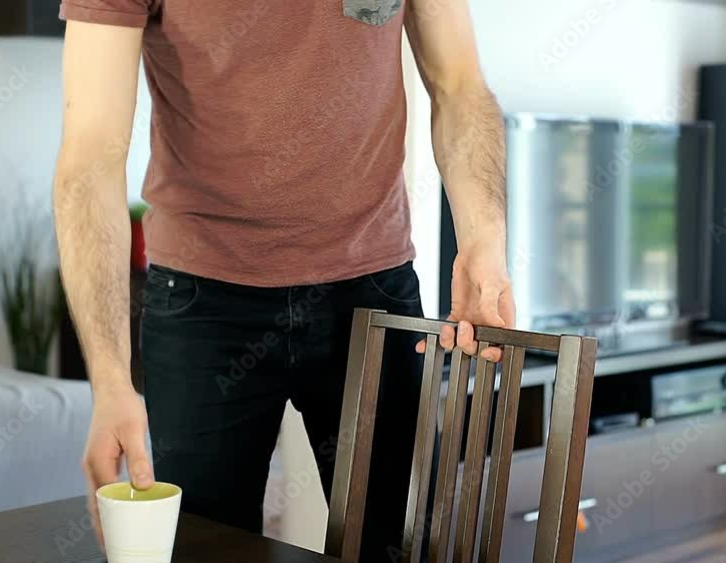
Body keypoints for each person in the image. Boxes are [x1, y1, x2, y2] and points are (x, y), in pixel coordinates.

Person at [53, 0, 514, 559]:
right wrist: (109, 382)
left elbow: (459, 85)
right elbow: (91, 156)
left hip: (372, 291)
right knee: (205, 550)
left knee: (405, 546)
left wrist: (483, 244)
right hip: (203, 306)